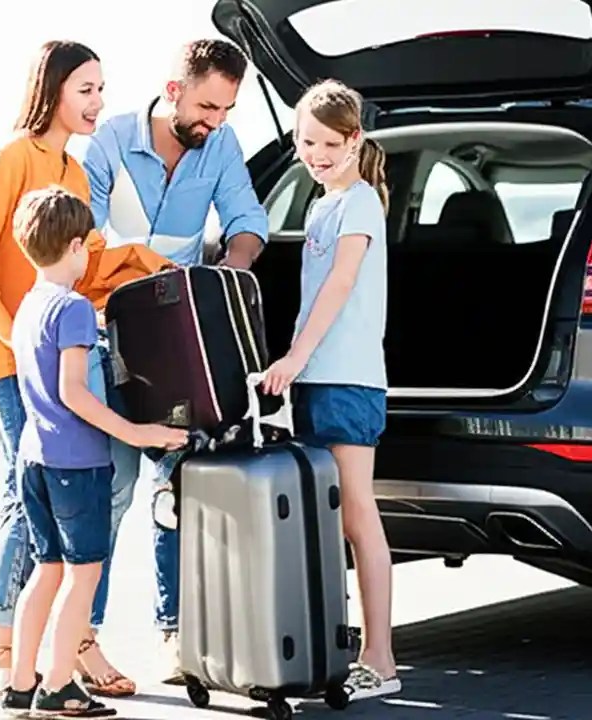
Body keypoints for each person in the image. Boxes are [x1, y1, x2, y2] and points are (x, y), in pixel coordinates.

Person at [80, 37, 269, 684]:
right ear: (173, 91)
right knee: (110, 490)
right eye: (209, 107)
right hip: (110, 337)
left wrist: (231, 271)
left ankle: (177, 638)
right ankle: (82, 639)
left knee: (177, 489)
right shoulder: (106, 144)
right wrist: (156, 270)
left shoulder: (220, 146)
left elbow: (246, 219)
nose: (217, 122)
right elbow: (90, 240)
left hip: (181, 342)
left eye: (227, 110)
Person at [0, 39, 132, 699]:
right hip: (10, 359)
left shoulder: (76, 174)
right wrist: (22, 344)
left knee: (91, 497)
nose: (97, 102)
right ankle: (3, 651)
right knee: (21, 495)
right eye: (86, 88)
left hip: (63, 359)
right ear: (52, 89)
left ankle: (75, 640)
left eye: (101, 89)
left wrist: (161, 265)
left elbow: (94, 264)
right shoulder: (8, 159)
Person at [0, 185, 188, 717]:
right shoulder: (75, 307)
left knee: (48, 569)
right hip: (76, 465)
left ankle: (19, 682)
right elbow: (73, 391)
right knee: (84, 574)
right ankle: (58, 686)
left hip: (33, 460)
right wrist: (138, 434)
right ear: (78, 247)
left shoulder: (27, 307)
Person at [260, 78, 401, 702]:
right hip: (317, 378)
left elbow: (340, 286)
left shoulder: (360, 201)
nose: (312, 153)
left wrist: (294, 355)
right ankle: (333, 649)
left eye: (324, 142)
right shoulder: (319, 205)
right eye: (304, 141)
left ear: (353, 140)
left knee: (358, 515)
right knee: (331, 518)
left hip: (346, 377)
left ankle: (382, 658)